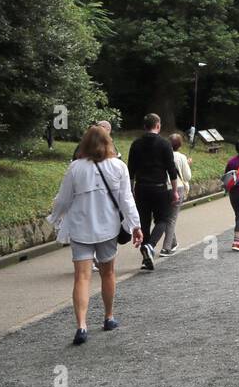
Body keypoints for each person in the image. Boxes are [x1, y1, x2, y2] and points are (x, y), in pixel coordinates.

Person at [48, 125, 143, 345]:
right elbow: (126, 199)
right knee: (108, 273)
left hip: (81, 227)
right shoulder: (118, 166)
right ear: (109, 142)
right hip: (108, 228)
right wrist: (135, 225)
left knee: (81, 277)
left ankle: (81, 325)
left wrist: (55, 217)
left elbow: (63, 199)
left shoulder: (75, 167)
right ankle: (108, 316)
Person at [127, 113, 180, 271]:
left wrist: (131, 189)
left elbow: (130, 170)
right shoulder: (164, 144)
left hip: (141, 188)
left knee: (144, 222)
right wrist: (175, 191)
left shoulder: (136, 144)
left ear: (144, 126)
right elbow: (172, 170)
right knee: (163, 219)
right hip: (159, 188)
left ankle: (146, 258)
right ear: (158, 126)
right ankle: (150, 246)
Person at [161, 133, 191, 255]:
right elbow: (188, 176)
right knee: (171, 218)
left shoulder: (161, 155)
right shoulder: (181, 157)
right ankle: (166, 247)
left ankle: (173, 242)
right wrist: (188, 164)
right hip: (177, 188)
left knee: (167, 217)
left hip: (163, 187)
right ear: (180, 145)